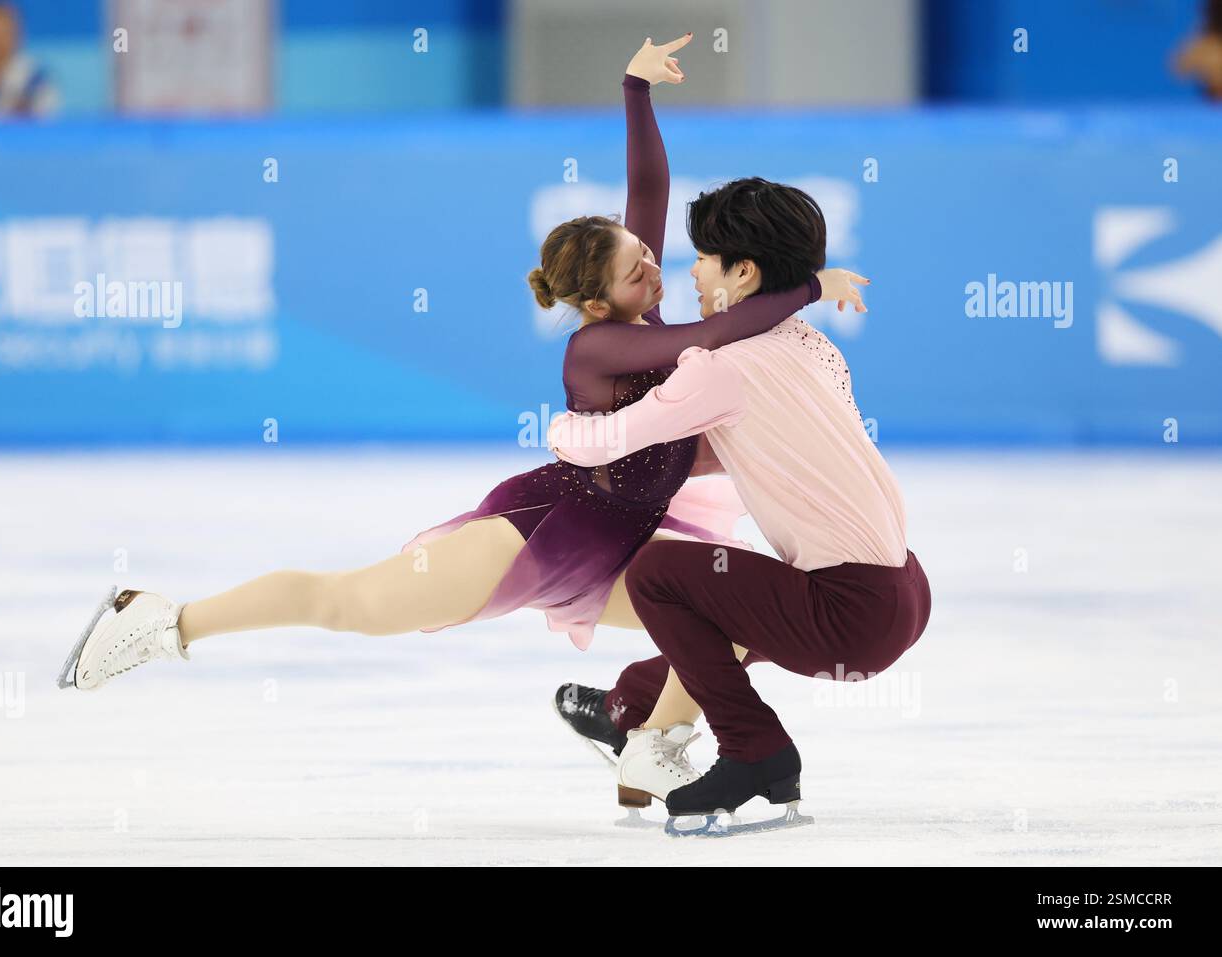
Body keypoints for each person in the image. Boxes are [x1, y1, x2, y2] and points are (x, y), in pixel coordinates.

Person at [57, 35, 868, 694]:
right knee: (347, 602)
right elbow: (705, 345)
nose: (657, 271)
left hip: (623, 538)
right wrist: (806, 287)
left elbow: (647, 186)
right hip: (538, 535)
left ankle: (644, 744)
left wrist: (635, 87)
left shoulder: (639, 307)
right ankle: (163, 618)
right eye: (637, 271)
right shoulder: (601, 346)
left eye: (650, 258)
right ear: (595, 303)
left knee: (724, 631)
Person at [548, 177, 931, 820]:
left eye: (702, 257)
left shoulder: (718, 368)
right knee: (728, 582)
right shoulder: (811, 346)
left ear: (743, 271)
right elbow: (743, 448)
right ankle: (630, 705)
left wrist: (558, 433)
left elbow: (603, 444)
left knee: (660, 573)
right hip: (904, 593)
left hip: (849, 617)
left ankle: (755, 749)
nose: (689, 272)